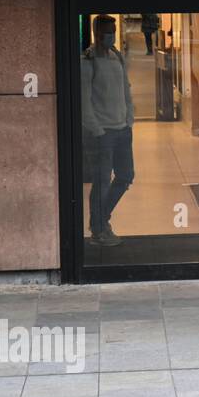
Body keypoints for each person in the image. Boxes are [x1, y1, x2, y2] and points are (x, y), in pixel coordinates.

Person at [81, 14, 134, 246]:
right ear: (96, 33)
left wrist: (129, 120)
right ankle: (99, 228)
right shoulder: (87, 61)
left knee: (125, 176)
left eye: (113, 30)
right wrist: (96, 129)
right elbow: (83, 100)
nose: (110, 35)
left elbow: (126, 91)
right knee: (102, 180)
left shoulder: (116, 57)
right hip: (102, 133)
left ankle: (101, 220)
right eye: (106, 31)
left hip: (122, 129)